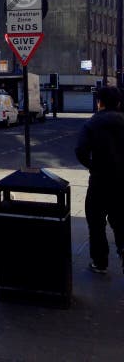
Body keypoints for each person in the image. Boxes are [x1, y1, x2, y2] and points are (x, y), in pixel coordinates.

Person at [75, 86, 124, 274]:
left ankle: (100, 261)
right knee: (121, 220)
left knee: (96, 223)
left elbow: (80, 150)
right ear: (118, 102)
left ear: (100, 102)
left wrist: (93, 166)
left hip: (100, 182)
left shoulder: (92, 124)